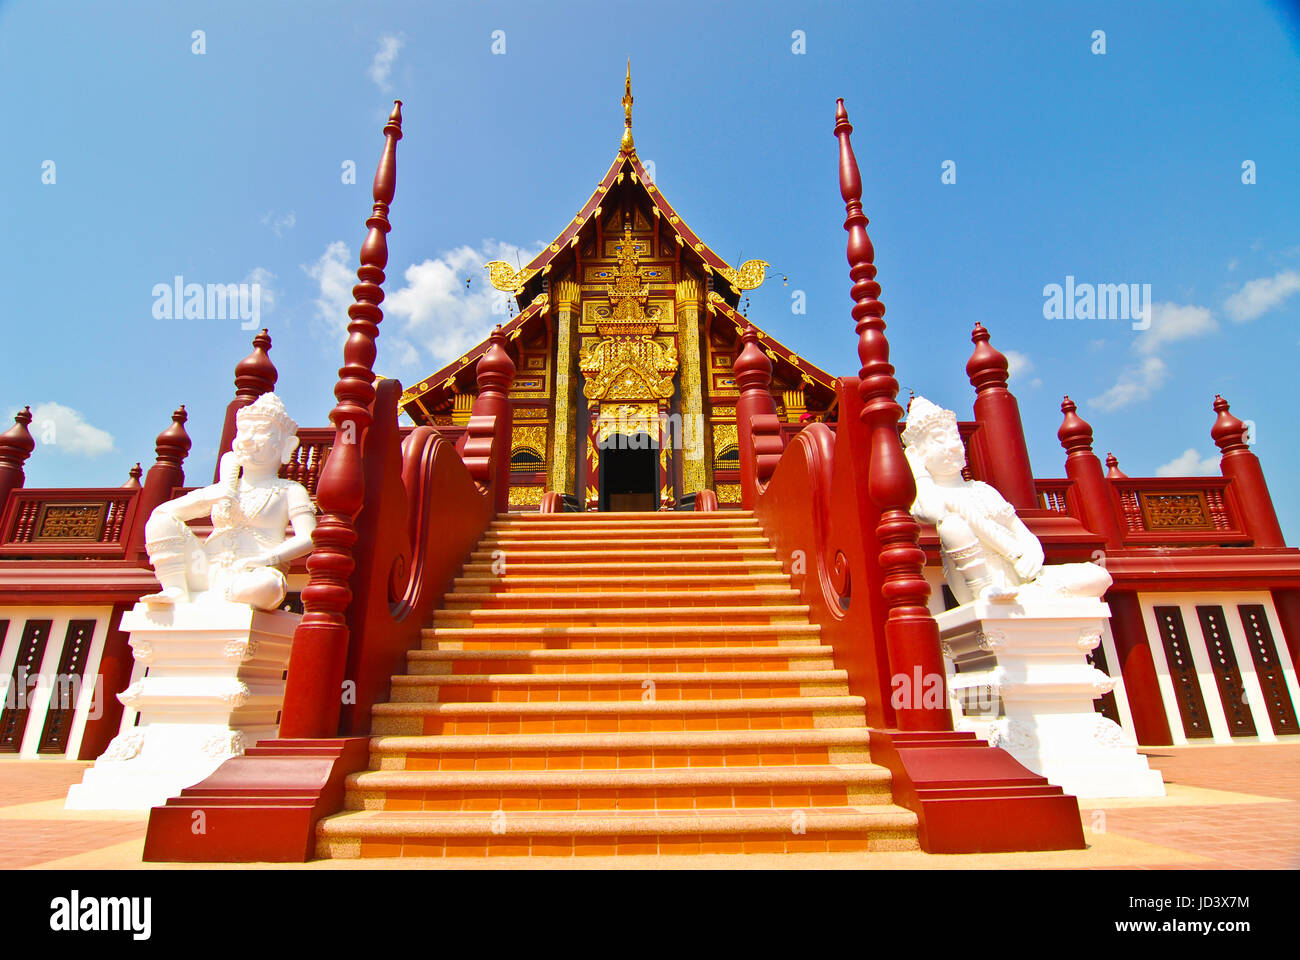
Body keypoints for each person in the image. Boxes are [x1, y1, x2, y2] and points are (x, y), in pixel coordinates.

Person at [902, 395, 1109, 605]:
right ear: (916, 452)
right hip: (975, 579)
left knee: (1099, 576)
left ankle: (1024, 596)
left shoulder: (983, 490)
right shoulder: (930, 493)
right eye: (939, 439)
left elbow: (1019, 529)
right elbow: (933, 512)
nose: (954, 446)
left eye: (955, 437)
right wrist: (917, 469)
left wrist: (1032, 551)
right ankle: (985, 591)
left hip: (1017, 573)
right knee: (952, 525)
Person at [139, 393, 316, 610]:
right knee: (160, 520)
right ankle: (176, 588)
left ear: (287, 446)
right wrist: (216, 494)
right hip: (204, 567)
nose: (248, 439)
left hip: (252, 572)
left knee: (266, 586)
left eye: (260, 432)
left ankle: (217, 597)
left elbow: (309, 537)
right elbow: (162, 514)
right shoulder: (224, 489)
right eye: (243, 432)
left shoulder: (290, 490)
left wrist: (267, 559)